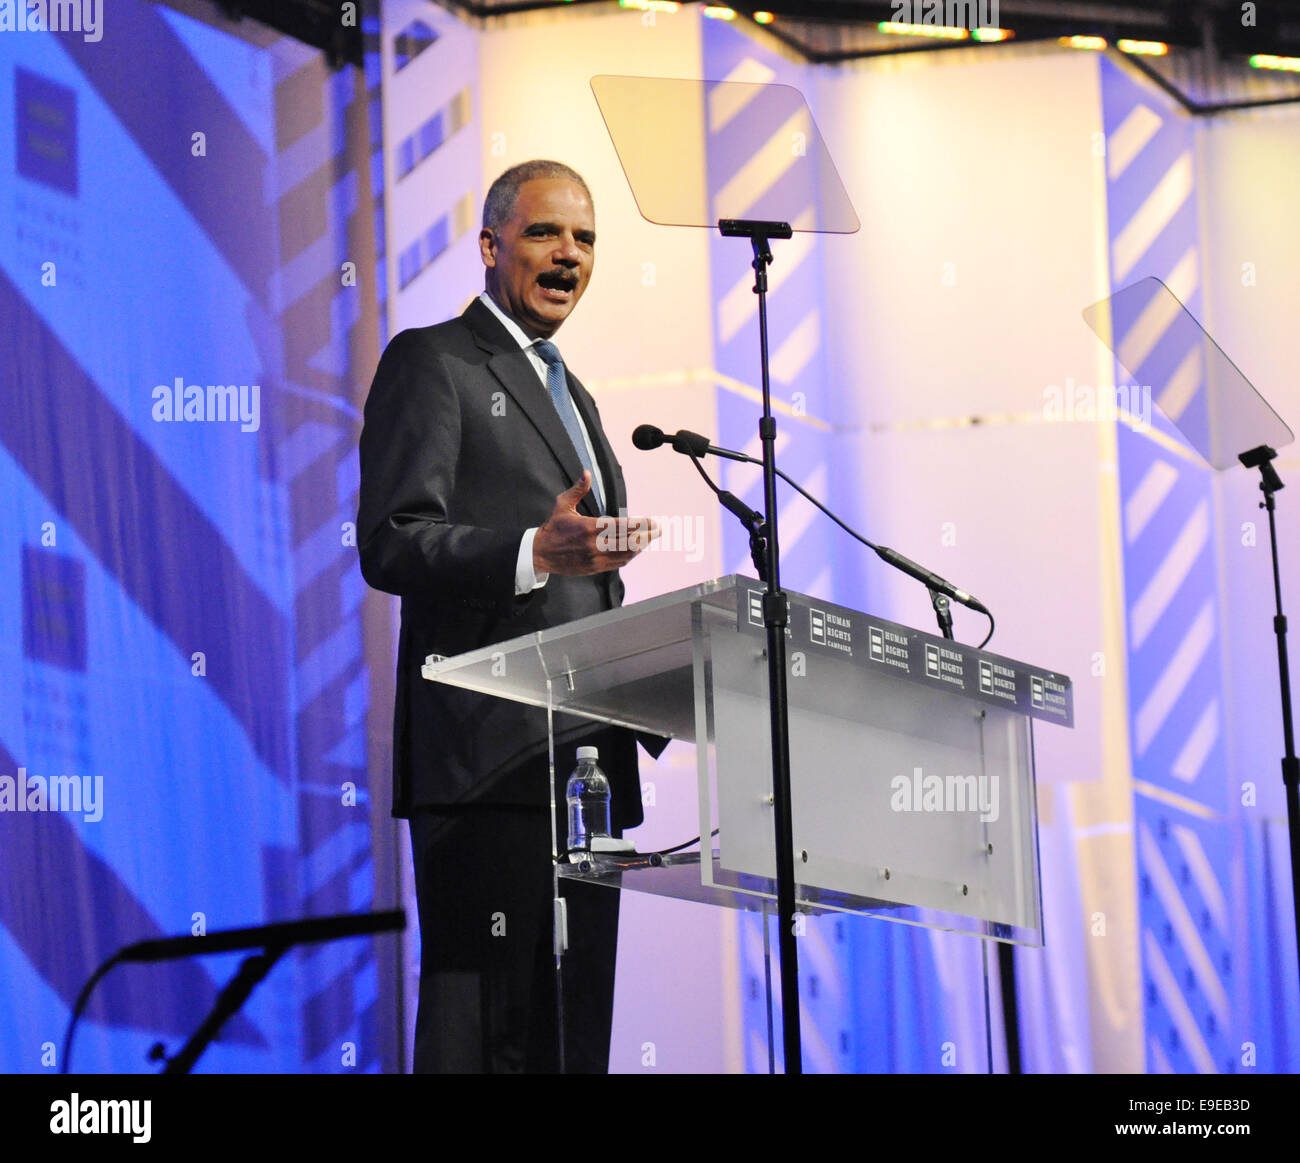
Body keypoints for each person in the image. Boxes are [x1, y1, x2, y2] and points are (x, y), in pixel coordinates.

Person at [357, 159, 663, 1073]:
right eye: (545, 233)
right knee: (482, 1042)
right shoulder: (434, 361)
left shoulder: (579, 396)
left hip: (584, 774)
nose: (569, 253)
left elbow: (587, 581)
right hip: (486, 763)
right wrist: (535, 551)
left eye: (586, 238)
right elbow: (393, 540)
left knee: (571, 1045)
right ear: (491, 247)